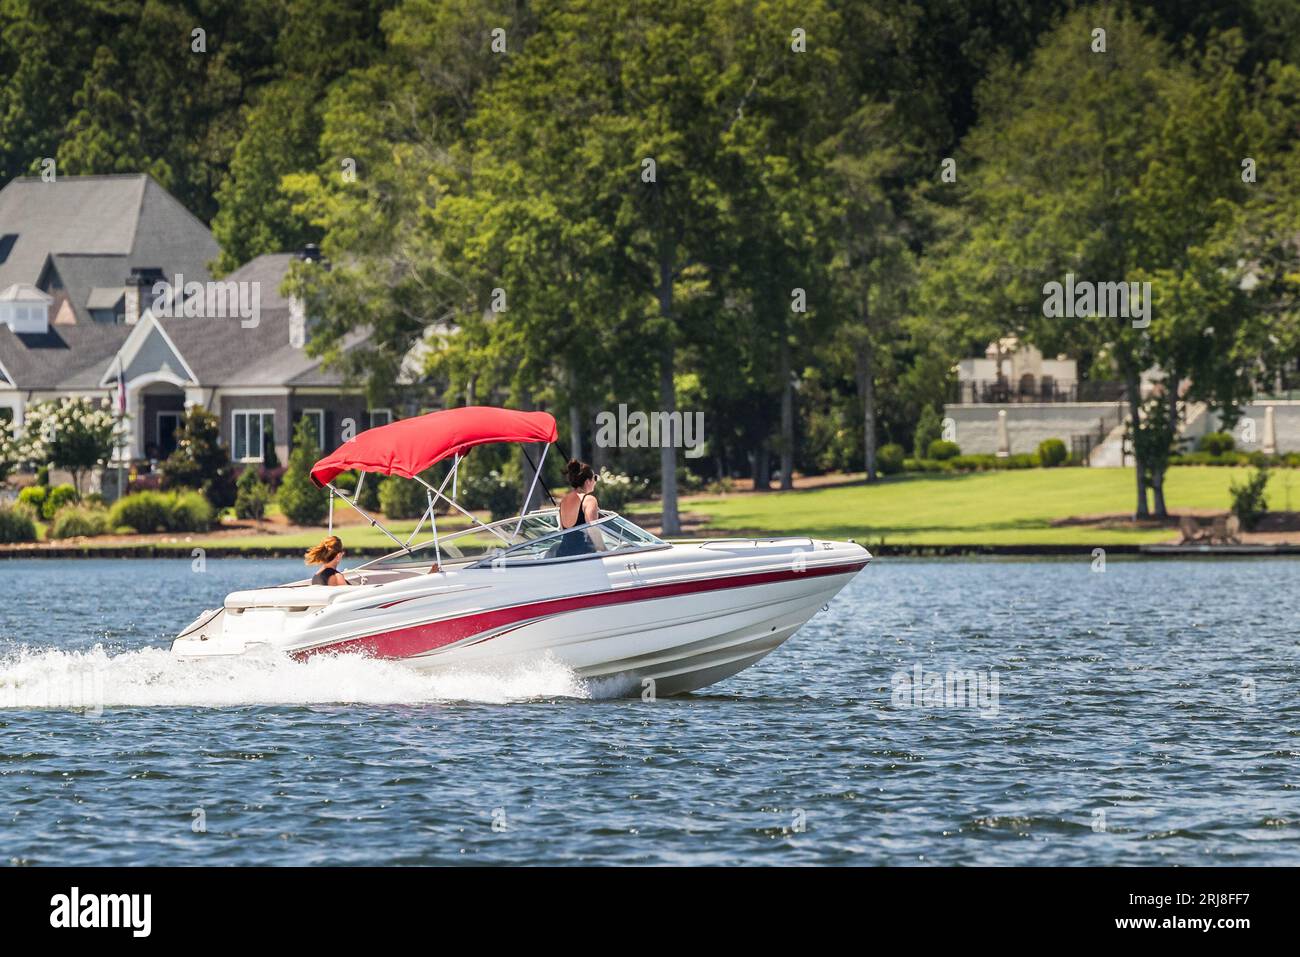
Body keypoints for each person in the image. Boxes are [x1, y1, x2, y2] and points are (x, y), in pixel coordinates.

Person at [555, 458, 604, 557]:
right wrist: (605, 551)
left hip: (562, 555)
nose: (595, 481)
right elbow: (593, 529)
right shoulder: (589, 500)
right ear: (587, 481)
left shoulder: (563, 501)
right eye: (594, 478)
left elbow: (562, 530)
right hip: (582, 556)